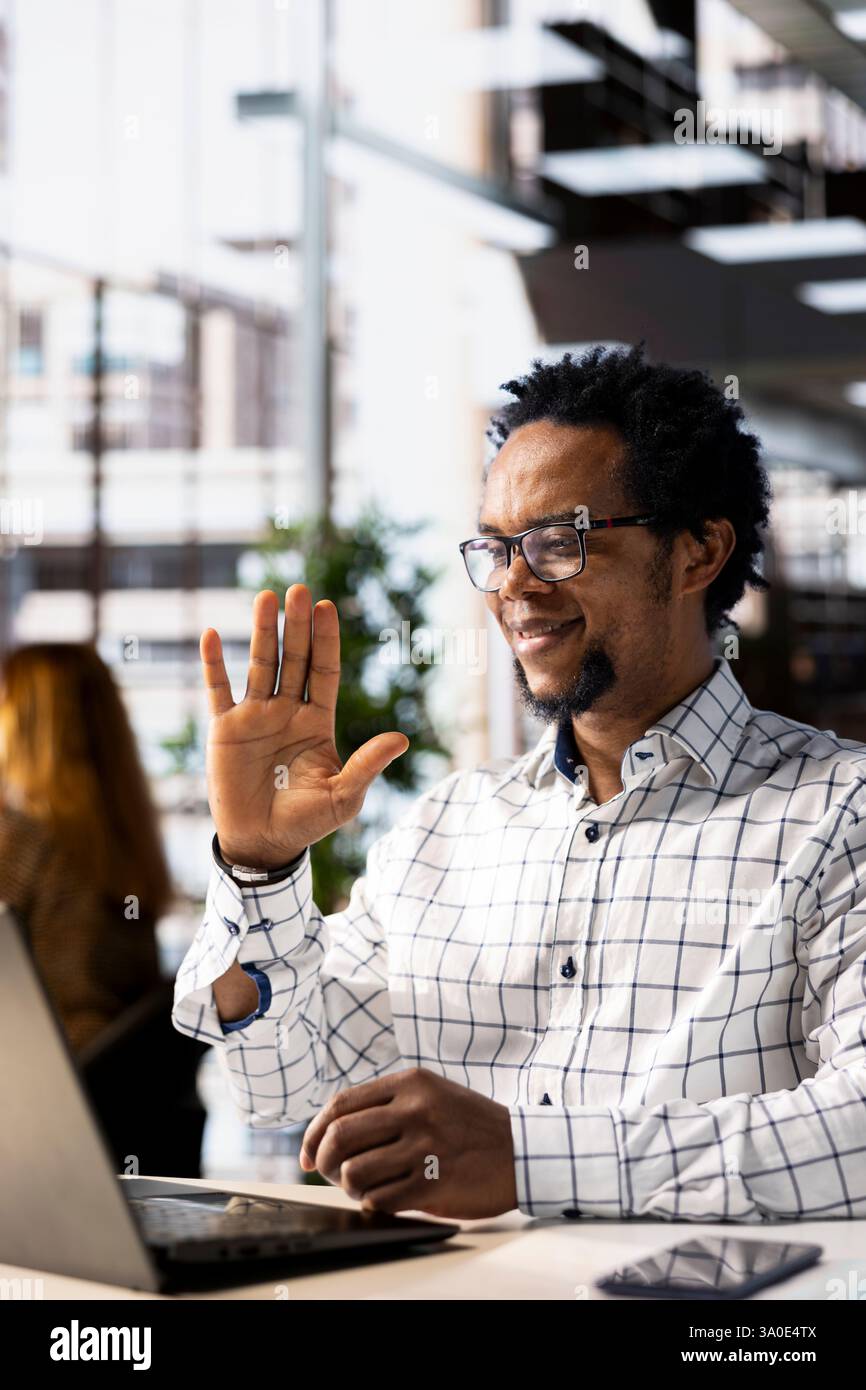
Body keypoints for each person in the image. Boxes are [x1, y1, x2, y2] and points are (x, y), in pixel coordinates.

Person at [172, 344, 866, 1223]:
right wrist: (258, 869)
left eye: (557, 541)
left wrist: (527, 1160)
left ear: (698, 552)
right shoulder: (446, 831)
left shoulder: (841, 813)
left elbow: (857, 1129)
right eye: (497, 547)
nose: (512, 585)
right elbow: (287, 1084)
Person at [0, 643, 170, 1053]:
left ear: (27, 722)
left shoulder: (23, 841)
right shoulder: (124, 850)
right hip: (110, 1090)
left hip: (38, 1084)